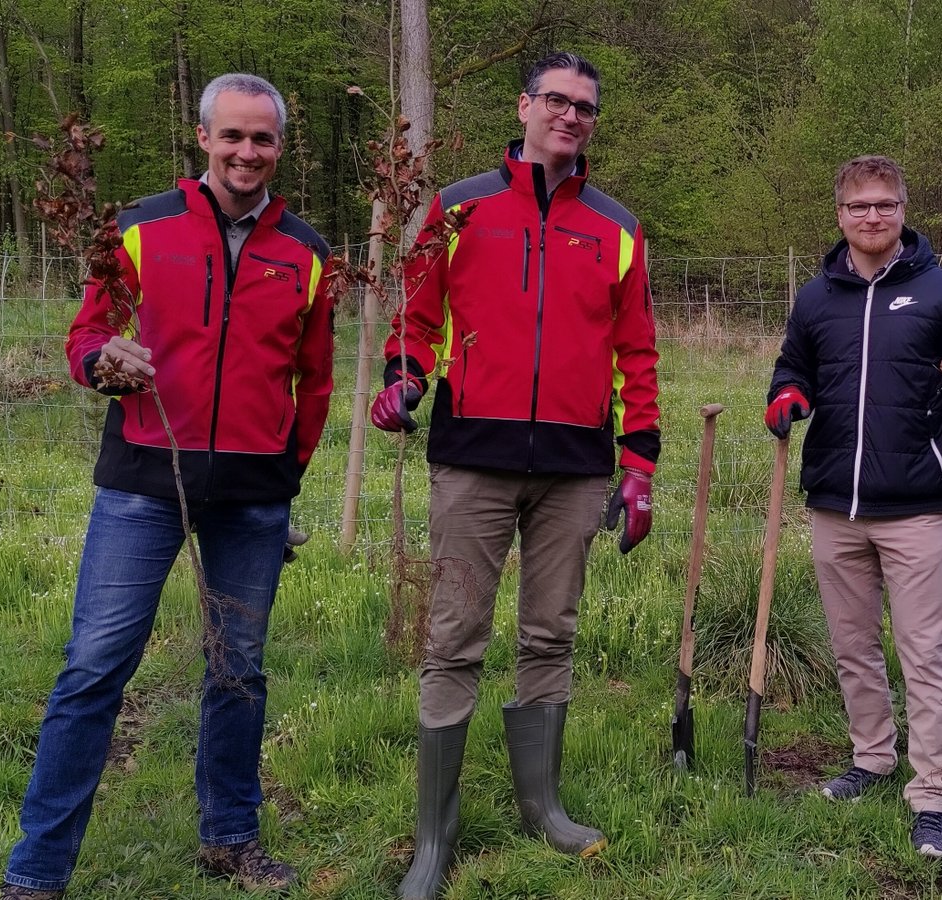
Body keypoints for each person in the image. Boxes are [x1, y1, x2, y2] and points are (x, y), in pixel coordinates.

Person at [0, 74, 335, 899]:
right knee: (93, 668)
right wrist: (100, 363)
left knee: (239, 671)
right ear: (202, 138)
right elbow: (87, 334)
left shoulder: (308, 252)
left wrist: (284, 477)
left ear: (279, 148)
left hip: (254, 497)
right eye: (232, 136)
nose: (246, 152)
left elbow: (316, 380)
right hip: (143, 484)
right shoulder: (141, 229)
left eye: (262, 139)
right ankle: (37, 873)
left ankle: (229, 836)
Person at [370, 51, 659, 899]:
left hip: (574, 466)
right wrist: (404, 376)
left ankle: (543, 805)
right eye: (558, 102)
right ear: (525, 105)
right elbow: (416, 316)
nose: (571, 118)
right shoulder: (458, 209)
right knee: (454, 638)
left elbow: (636, 350)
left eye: (586, 109)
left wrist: (639, 464)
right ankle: (436, 834)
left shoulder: (617, 228)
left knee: (551, 635)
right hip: (473, 460)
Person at [765, 155, 942, 860]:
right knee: (853, 647)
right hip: (833, 503)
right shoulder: (816, 298)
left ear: (905, 209)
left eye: (885, 204)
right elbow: (794, 367)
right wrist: (787, 395)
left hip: (916, 507)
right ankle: (872, 757)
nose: (871, 216)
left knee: (925, 655)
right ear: (838, 214)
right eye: (858, 206)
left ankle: (931, 794)